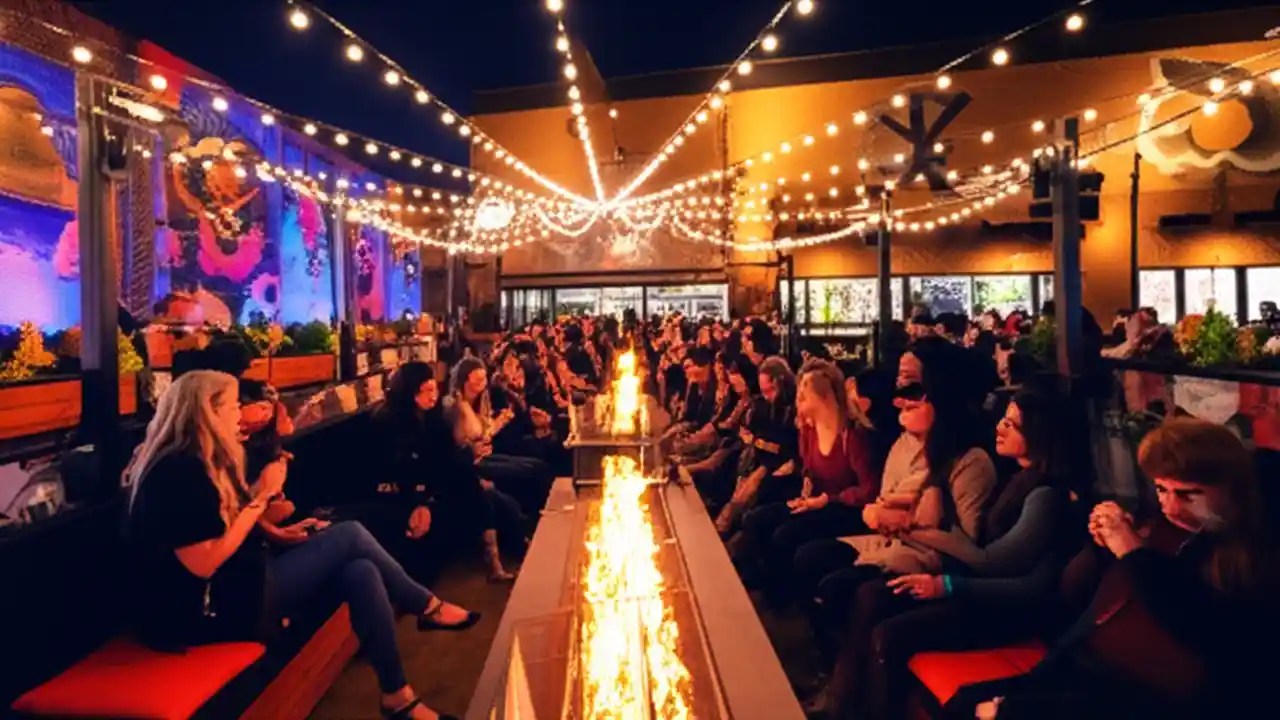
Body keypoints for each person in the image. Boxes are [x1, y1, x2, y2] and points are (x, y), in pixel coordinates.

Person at [124, 371, 475, 720]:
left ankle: (397, 697)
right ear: (208, 413)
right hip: (204, 614)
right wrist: (261, 496)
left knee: (362, 571)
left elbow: (225, 525)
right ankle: (425, 605)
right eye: (233, 407)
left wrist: (281, 533)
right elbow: (203, 563)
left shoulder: (205, 460)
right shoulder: (175, 472)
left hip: (238, 584)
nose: (239, 414)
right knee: (350, 534)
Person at [953, 418, 1280, 720]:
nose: (1171, 506)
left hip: (1164, 696)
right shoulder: (1176, 534)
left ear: (1232, 490)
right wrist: (1102, 550)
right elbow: (1082, 601)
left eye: (1189, 494)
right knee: (965, 701)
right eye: (1162, 490)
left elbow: (1202, 637)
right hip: (1099, 672)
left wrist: (1132, 551)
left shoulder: (1256, 559)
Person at [816, 388, 1080, 719]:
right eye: (1004, 419)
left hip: (1001, 610)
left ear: (1040, 433)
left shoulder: (1045, 496)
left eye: (1011, 425)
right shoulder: (1018, 478)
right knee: (870, 596)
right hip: (973, 587)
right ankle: (843, 705)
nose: (999, 426)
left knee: (889, 633)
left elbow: (989, 561)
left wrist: (927, 555)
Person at [793, 339, 997, 654]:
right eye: (901, 389)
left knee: (844, 587)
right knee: (809, 556)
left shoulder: (969, 460)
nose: (901, 399)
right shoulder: (904, 443)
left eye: (912, 392)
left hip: (923, 557)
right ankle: (826, 658)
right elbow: (881, 501)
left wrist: (904, 522)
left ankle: (843, 682)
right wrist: (881, 516)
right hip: (886, 540)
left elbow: (967, 548)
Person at [737, 359, 879, 606]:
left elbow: (868, 489)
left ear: (823, 397)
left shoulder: (852, 435)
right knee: (759, 518)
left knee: (785, 534)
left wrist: (827, 499)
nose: (798, 400)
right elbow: (809, 467)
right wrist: (807, 484)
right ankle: (767, 588)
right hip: (817, 500)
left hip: (845, 509)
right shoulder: (809, 430)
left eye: (804, 395)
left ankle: (785, 600)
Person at [372, 362, 521, 583]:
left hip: (434, 482)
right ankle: (495, 563)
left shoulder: (432, 416)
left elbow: (445, 455)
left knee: (483, 491)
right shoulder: (389, 420)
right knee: (480, 491)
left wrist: (469, 456)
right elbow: (399, 469)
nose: (433, 397)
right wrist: (420, 502)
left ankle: (499, 560)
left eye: (434, 390)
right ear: (410, 391)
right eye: (426, 391)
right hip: (401, 491)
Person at [445, 356, 555, 515]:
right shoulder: (456, 406)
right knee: (530, 471)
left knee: (538, 466)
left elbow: (486, 433)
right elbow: (468, 440)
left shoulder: (481, 401)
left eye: (483, 379)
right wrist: (497, 425)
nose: (481, 384)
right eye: (476, 380)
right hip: (473, 465)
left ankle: (545, 512)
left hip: (485, 455)